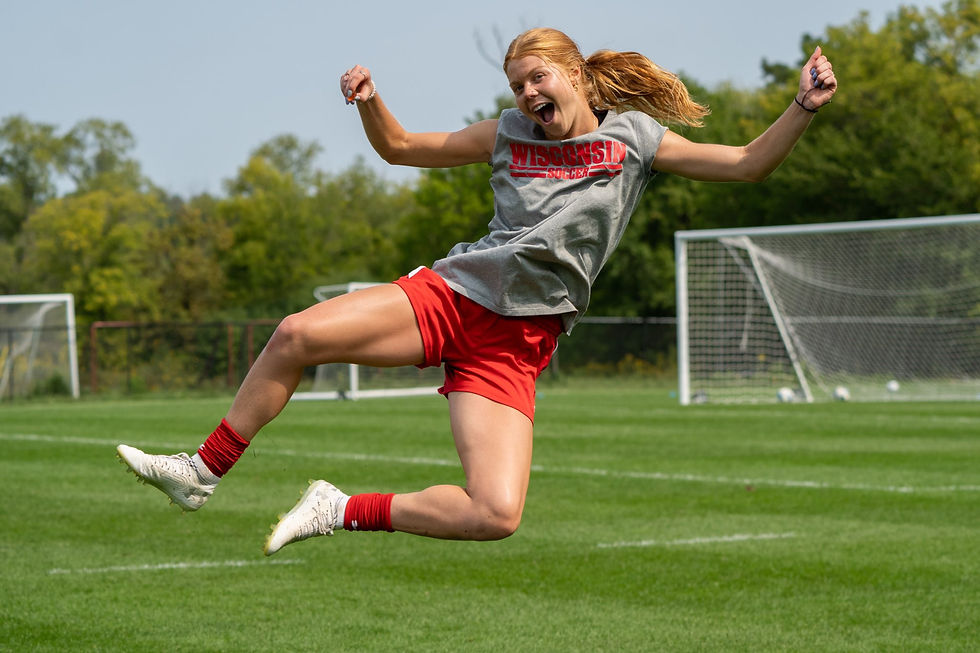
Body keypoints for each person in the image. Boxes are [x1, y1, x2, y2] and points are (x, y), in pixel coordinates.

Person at [117, 28, 837, 555]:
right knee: (297, 333)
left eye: (538, 78)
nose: (527, 93)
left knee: (495, 512)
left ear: (578, 78)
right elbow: (402, 148)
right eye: (517, 83)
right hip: (454, 296)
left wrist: (802, 106)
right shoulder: (507, 133)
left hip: (518, 340)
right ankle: (201, 469)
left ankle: (339, 507)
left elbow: (746, 164)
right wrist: (371, 101)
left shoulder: (636, 140)